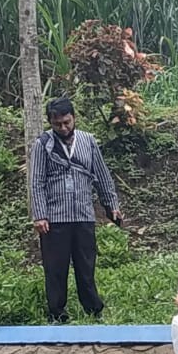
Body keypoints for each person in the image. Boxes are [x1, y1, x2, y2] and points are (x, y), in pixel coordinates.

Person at [28, 97, 123, 323]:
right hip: (54, 218)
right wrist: (39, 215)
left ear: (74, 118)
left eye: (67, 122)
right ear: (50, 122)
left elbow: (102, 176)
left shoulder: (88, 141)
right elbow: (36, 182)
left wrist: (112, 205)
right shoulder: (43, 145)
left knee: (86, 266)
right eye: (57, 124)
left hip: (83, 214)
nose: (63, 128)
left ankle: (93, 309)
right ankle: (57, 313)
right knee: (55, 269)